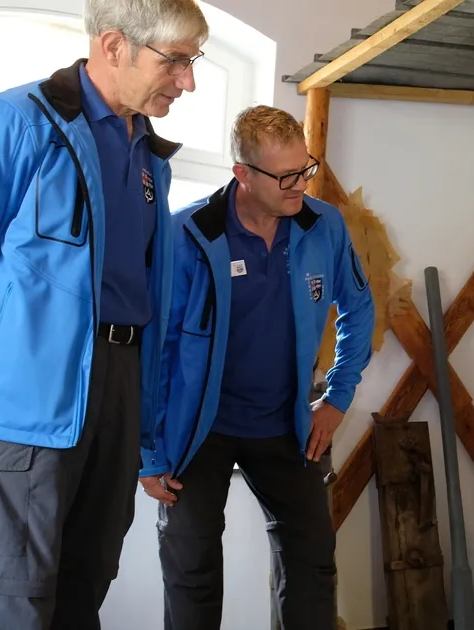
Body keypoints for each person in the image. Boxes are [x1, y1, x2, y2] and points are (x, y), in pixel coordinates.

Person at [0, 1, 208, 628]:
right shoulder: (17, 121)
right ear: (114, 46)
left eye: (193, 61)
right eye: (175, 60)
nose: (188, 81)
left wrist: (145, 423)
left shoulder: (149, 157)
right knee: (4, 602)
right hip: (17, 409)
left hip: (117, 395)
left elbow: (145, 296)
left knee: (82, 591)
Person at [138, 105, 375, 630]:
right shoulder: (187, 235)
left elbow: (358, 310)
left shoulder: (323, 225)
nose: (299, 185)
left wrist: (336, 398)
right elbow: (154, 349)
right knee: (191, 567)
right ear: (241, 174)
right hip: (198, 431)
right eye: (284, 175)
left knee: (313, 557)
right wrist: (149, 449)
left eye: (304, 168)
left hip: (284, 424)